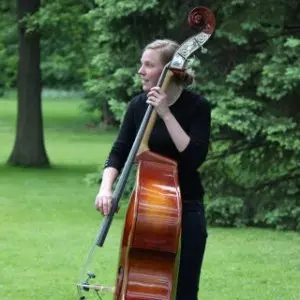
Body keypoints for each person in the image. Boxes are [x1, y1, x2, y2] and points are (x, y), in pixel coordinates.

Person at [95, 39, 211, 300]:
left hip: (188, 207)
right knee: (142, 280)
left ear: (170, 71)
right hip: (147, 209)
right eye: (141, 64)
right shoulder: (138, 105)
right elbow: (119, 152)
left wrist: (166, 113)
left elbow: (194, 157)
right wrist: (106, 189)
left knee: (184, 290)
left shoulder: (197, 107)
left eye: (148, 65)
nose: (141, 71)